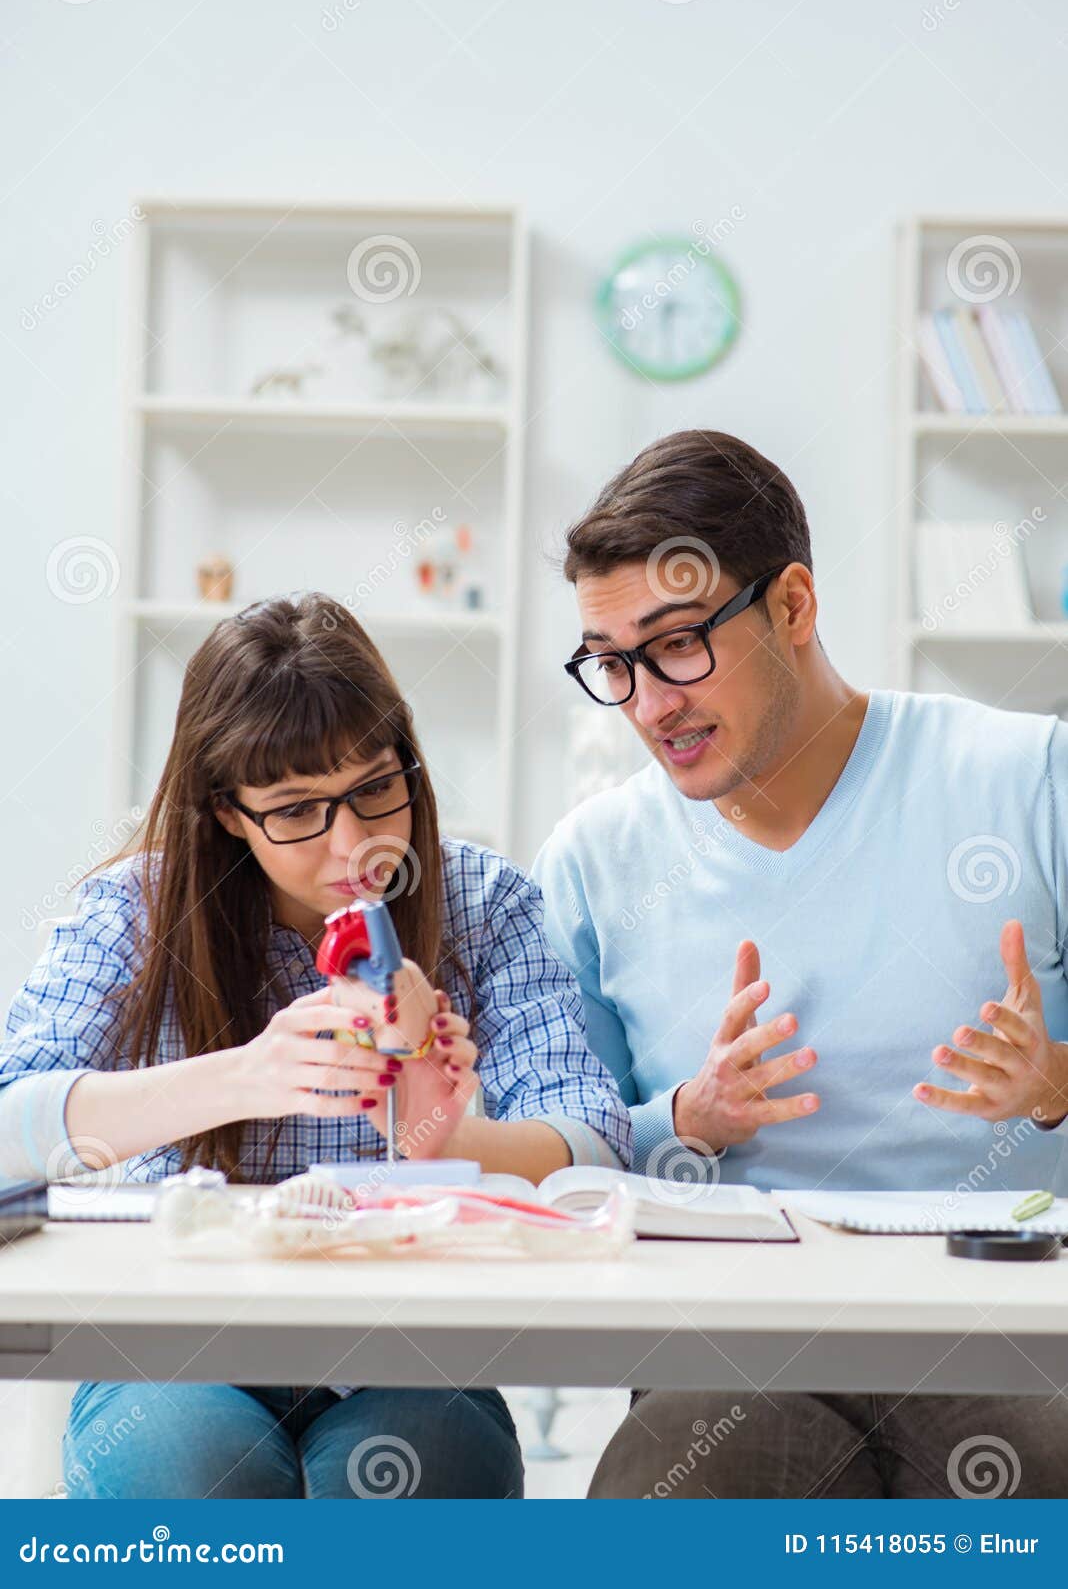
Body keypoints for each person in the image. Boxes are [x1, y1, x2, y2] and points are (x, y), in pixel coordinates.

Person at [532, 429, 1068, 1499]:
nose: (649, 703)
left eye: (678, 645)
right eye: (612, 662)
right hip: (730, 1342)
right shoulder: (594, 863)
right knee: (672, 1505)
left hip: (1005, 1328)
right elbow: (556, 1156)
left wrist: (1057, 1085)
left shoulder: (1027, 778)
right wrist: (684, 1114)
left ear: (793, 607)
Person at [2, 592, 632, 1499]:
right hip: (179, 1342)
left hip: (406, 1351)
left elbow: (594, 1144)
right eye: (295, 810)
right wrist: (245, 1076)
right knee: (199, 1477)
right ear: (226, 810)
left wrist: (453, 1138)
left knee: (411, 1484)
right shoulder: (135, 913)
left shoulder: (484, 904)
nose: (353, 844)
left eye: (377, 788)